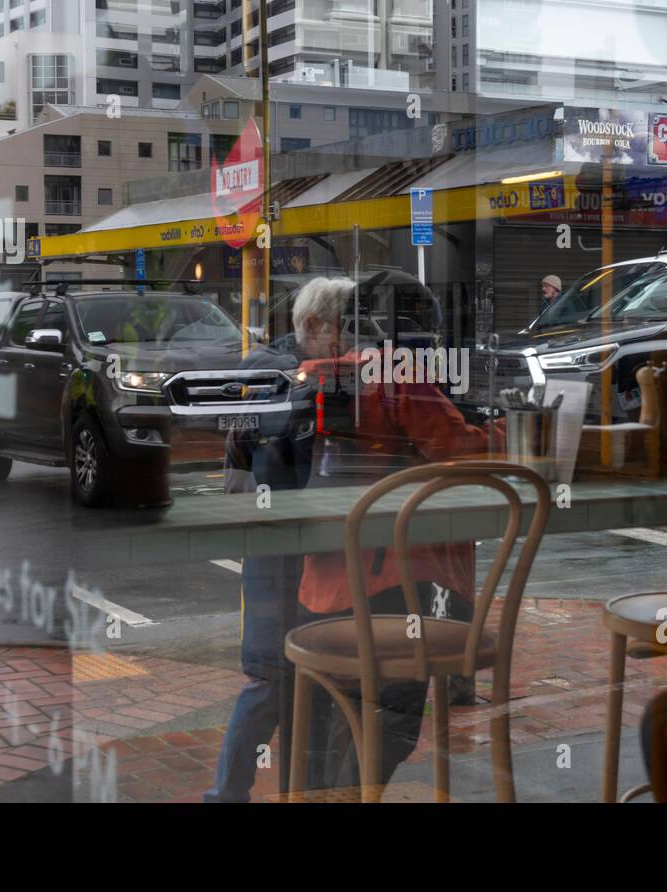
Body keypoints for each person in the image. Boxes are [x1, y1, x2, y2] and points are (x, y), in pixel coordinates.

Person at [292, 276, 500, 790]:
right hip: (397, 589)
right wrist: (512, 431)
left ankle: (335, 795)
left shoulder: (308, 379)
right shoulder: (395, 379)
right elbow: (463, 451)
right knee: (393, 718)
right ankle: (352, 797)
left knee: (342, 716)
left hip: (322, 595)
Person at [204, 329, 316, 803]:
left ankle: (231, 795)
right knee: (275, 679)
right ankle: (228, 795)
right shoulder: (290, 384)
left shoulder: (267, 375)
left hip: (268, 549)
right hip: (278, 550)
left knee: (274, 679)